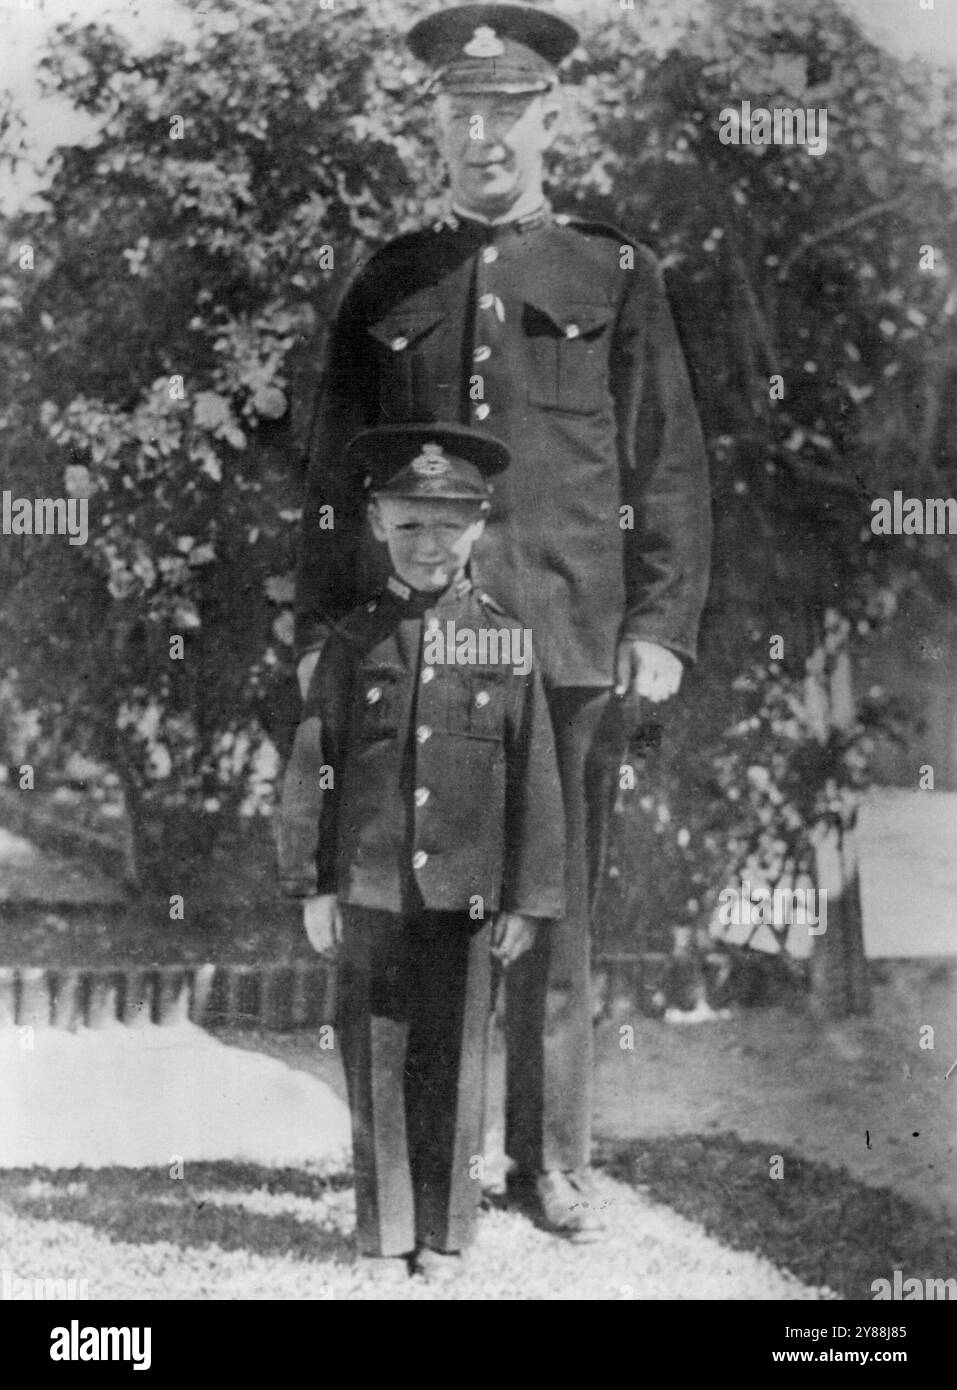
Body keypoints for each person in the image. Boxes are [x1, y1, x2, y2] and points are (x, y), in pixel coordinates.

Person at [293, 3, 712, 1238]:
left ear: (549, 117)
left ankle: (551, 1158)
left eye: (508, 110)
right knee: (427, 913)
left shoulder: (610, 268)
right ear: (438, 120)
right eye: (462, 110)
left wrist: (663, 623)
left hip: (570, 640)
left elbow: (667, 457)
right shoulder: (389, 278)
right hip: (424, 652)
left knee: (556, 909)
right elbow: (330, 471)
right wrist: (323, 617)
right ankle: (439, 1161)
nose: (485, 134)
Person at [278, 422, 565, 1280]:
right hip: (371, 893)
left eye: (449, 524)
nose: (430, 544)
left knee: (457, 1066)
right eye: (410, 525)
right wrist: (313, 884)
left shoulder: (506, 641)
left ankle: (445, 1236)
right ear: (375, 525)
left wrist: (528, 899)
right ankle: (385, 1234)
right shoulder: (352, 641)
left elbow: (535, 779)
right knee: (375, 1061)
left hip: (470, 899)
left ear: (480, 527)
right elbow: (312, 765)